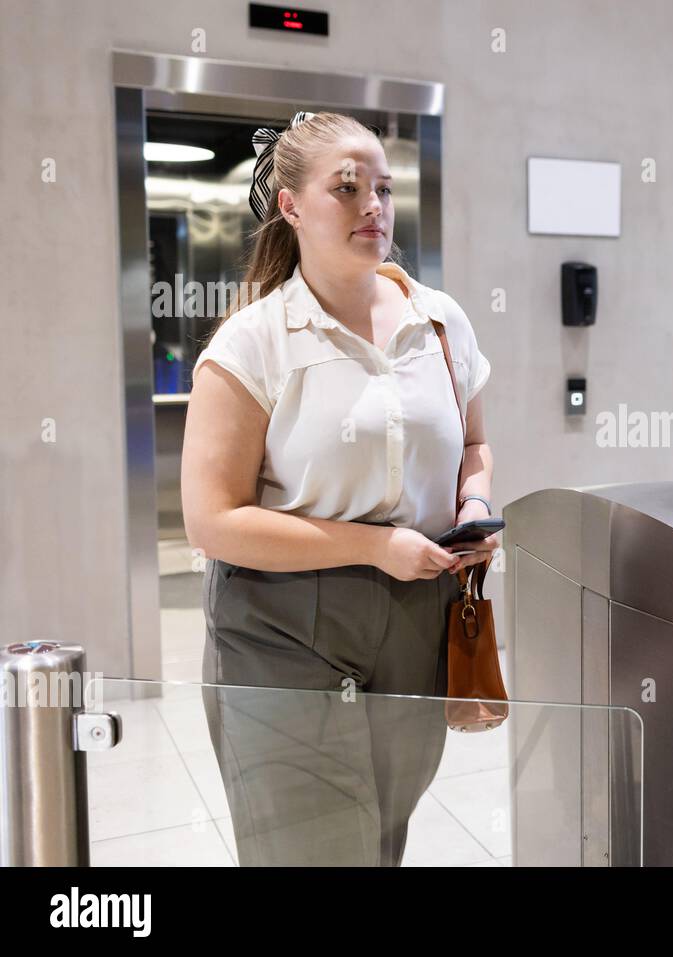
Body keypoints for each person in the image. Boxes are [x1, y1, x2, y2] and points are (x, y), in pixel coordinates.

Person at [180, 110, 497, 866]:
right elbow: (212, 520)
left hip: (416, 621)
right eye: (346, 188)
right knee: (311, 852)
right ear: (290, 206)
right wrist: (377, 545)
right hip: (280, 628)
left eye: (383, 189)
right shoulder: (254, 342)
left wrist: (475, 508)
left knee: (380, 842)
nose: (373, 207)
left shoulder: (440, 322)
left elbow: (475, 443)